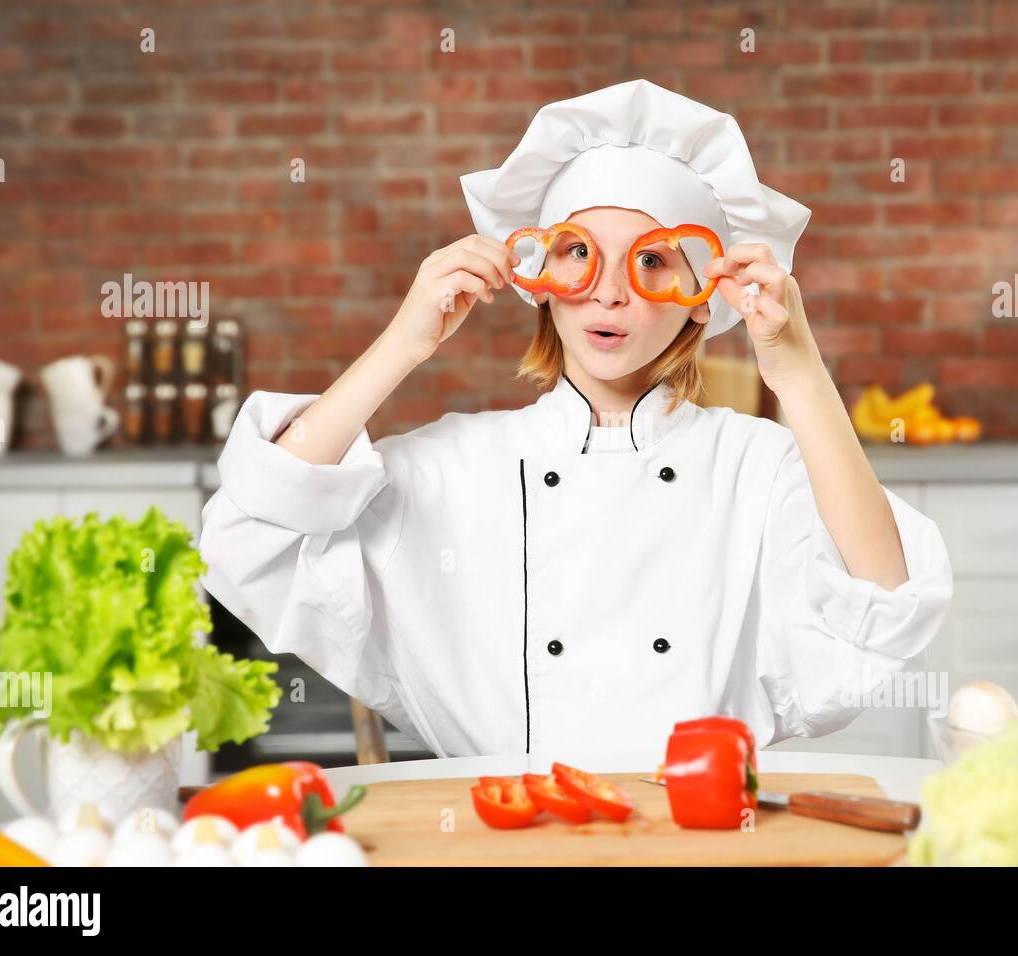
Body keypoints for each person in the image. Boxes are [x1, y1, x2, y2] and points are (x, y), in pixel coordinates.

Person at [198, 79, 953, 767]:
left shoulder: (756, 466)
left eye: (653, 262)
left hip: (701, 839)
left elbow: (885, 604)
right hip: (503, 838)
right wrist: (403, 343)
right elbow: (250, 531)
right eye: (579, 255)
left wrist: (797, 372)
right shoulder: (456, 465)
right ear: (540, 279)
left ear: (704, 294)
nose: (612, 295)